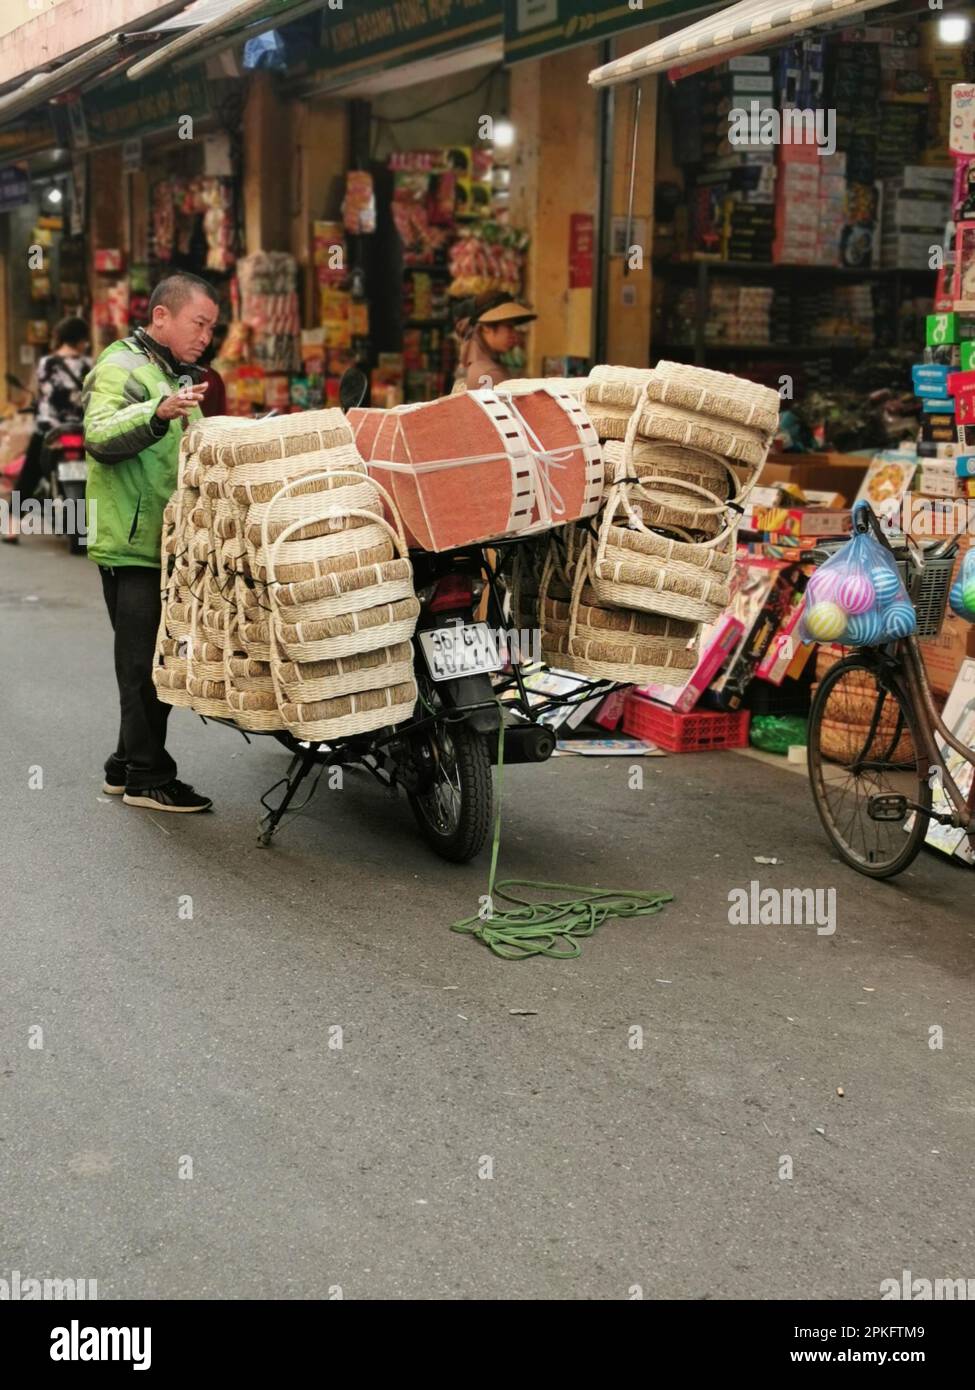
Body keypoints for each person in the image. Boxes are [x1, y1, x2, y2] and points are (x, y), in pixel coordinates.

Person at [84, 272, 217, 813]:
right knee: (143, 666)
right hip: (131, 541)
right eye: (198, 323)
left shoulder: (175, 373)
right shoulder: (121, 367)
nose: (206, 336)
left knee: (155, 661)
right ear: (161, 316)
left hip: (164, 542)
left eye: (211, 327)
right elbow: (98, 436)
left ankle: (123, 766)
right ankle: (148, 777)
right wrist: (156, 413)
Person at [2, 316, 91, 543]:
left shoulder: (46, 363)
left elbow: (42, 393)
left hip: (50, 431)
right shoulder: (88, 365)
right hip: (82, 430)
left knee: (30, 473)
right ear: (81, 341)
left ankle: (11, 527)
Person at [453, 293, 537, 391]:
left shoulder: (479, 363)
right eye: (509, 327)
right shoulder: (487, 373)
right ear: (487, 327)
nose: (514, 334)